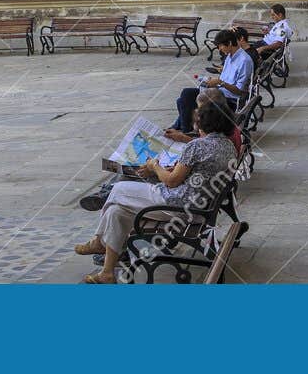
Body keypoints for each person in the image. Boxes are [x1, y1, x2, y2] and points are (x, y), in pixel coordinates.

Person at [75, 101, 237, 283]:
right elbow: (199, 173)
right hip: (199, 207)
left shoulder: (197, 146)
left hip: (178, 205)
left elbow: (171, 181)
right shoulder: (228, 146)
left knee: (119, 189)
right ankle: (107, 273)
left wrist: (155, 166)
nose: (194, 125)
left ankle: (98, 241)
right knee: (116, 211)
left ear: (204, 124)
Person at [171, 28, 251, 133]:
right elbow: (223, 79)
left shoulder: (244, 60)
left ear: (230, 43)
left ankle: (184, 130)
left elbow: (239, 91)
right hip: (219, 92)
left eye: (220, 46)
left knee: (185, 97)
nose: (219, 49)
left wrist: (220, 83)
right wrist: (212, 82)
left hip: (229, 100)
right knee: (184, 96)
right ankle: (183, 128)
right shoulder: (229, 57)